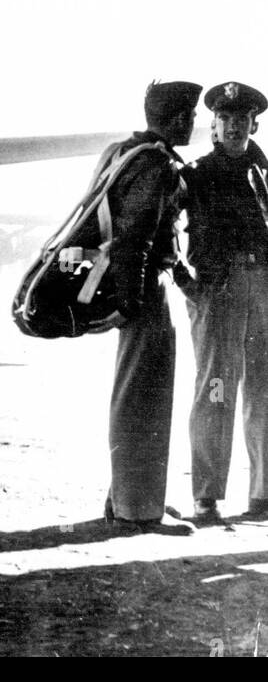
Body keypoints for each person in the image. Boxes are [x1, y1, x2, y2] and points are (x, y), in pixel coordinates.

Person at [98, 80, 201, 535]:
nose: (193, 124)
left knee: (134, 395)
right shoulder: (157, 165)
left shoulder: (122, 153)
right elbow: (135, 238)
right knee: (146, 400)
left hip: (137, 288)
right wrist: (132, 302)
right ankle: (137, 511)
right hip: (144, 293)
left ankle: (129, 497)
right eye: (191, 117)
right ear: (178, 119)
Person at [181, 81, 268, 525]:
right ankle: (207, 495)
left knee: (265, 389)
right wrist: (188, 284)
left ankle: (263, 494)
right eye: (226, 119)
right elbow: (164, 232)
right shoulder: (196, 174)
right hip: (222, 289)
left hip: (264, 286)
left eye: (243, 120)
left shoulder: (263, 173)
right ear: (214, 125)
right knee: (216, 389)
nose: (235, 127)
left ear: (254, 124)